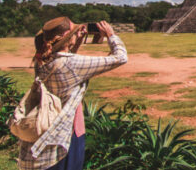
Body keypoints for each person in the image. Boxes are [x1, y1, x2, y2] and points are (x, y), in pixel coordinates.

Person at [18, 17, 128, 170]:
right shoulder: (72, 65)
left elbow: (65, 59)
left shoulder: (41, 61)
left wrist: (75, 41)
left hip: (43, 127)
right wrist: (111, 35)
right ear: (67, 38)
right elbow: (121, 57)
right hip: (65, 132)